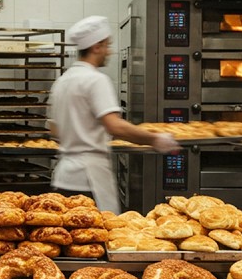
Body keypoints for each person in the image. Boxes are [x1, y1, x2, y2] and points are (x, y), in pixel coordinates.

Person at [48, 15, 181, 213]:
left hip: (63, 178)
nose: (109, 52)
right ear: (96, 46)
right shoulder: (95, 80)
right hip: (88, 181)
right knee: (96, 240)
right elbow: (115, 126)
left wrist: (82, 134)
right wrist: (155, 139)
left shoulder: (62, 81)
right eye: (107, 45)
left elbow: (54, 130)